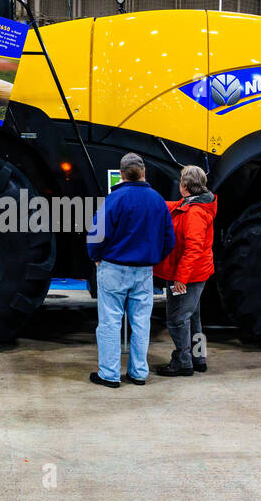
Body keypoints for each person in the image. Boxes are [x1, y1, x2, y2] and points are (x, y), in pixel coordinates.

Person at [86, 153, 175, 387]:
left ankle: (109, 374)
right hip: (144, 271)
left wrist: (96, 257)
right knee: (141, 323)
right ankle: (138, 373)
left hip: (113, 269)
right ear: (144, 172)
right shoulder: (157, 200)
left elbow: (96, 234)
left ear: (122, 174)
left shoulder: (114, 199)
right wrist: (152, 258)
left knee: (110, 323)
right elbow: (169, 240)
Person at [154, 166, 217, 377]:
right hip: (196, 273)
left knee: (176, 319)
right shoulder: (192, 204)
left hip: (188, 275)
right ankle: (198, 358)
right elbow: (174, 206)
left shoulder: (195, 214)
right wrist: (149, 201)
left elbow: (194, 248)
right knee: (193, 318)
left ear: (185, 187)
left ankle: (182, 362)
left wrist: (181, 278)